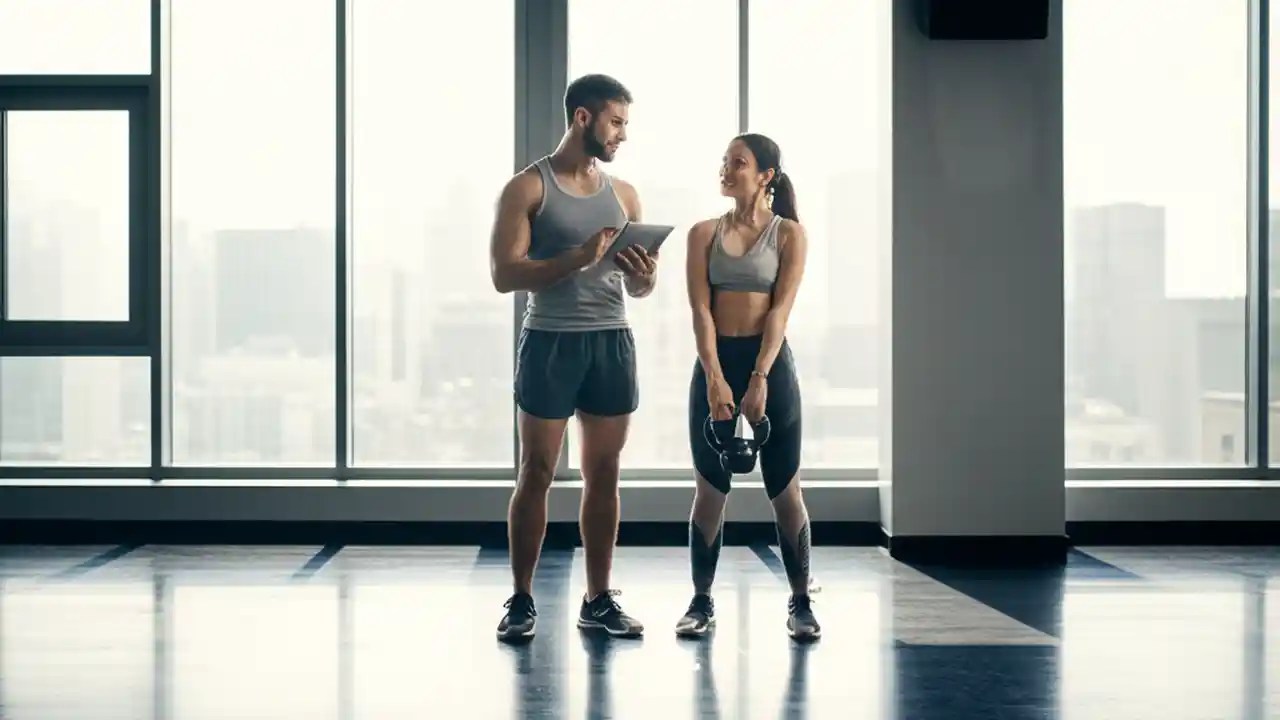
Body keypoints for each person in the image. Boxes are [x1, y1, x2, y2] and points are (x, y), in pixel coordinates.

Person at [489, 73, 659, 641]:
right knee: (535, 471)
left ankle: (598, 599)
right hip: (550, 341)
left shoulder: (625, 194)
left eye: (626, 125)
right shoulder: (527, 188)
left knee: (604, 473)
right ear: (583, 118)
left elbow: (638, 290)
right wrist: (580, 257)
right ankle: (520, 600)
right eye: (616, 122)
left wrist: (644, 278)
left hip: (611, 340)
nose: (622, 136)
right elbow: (504, 275)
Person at [675, 133, 820, 641]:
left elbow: (780, 311)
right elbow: (699, 310)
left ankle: (801, 603)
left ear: (766, 176)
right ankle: (700, 601)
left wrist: (759, 377)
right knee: (710, 491)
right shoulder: (701, 233)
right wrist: (715, 377)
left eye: (738, 162)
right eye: (723, 161)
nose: (726, 169)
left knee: (785, 491)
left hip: (769, 364)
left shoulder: (788, 235)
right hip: (715, 362)